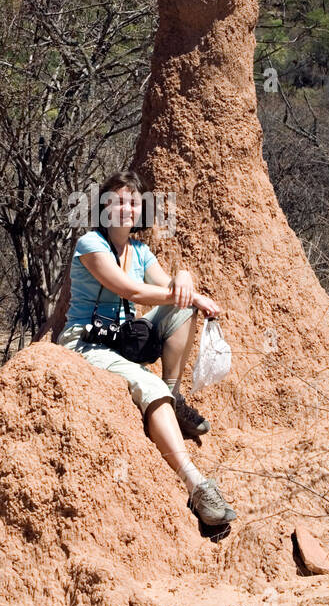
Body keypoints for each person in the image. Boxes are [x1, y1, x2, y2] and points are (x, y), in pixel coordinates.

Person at [56, 169, 237, 527]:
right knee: (148, 385)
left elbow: (168, 285)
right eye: (117, 201)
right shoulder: (90, 244)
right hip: (86, 341)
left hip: (122, 339)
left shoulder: (140, 250)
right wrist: (191, 293)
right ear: (104, 207)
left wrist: (184, 279)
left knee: (182, 306)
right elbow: (132, 291)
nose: (125, 208)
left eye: (132, 202)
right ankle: (196, 484)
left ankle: (174, 393)